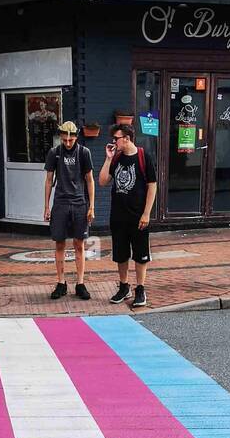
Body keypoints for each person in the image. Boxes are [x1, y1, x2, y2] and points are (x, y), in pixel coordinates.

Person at [99, 122, 157, 309]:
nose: (113, 142)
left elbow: (152, 186)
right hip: (118, 216)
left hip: (138, 215)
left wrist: (146, 213)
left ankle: (140, 289)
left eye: (116, 138)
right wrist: (108, 158)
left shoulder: (143, 156)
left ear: (127, 138)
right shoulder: (116, 159)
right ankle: (124, 286)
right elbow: (102, 181)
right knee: (120, 254)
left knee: (140, 255)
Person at [44, 120, 94, 301]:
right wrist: (46, 206)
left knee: (79, 244)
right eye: (64, 139)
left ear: (76, 137)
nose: (67, 143)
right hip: (60, 203)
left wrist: (92, 206)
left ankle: (80, 283)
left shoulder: (84, 153)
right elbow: (49, 180)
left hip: (79, 203)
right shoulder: (54, 153)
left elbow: (90, 180)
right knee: (59, 244)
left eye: (70, 140)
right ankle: (61, 282)